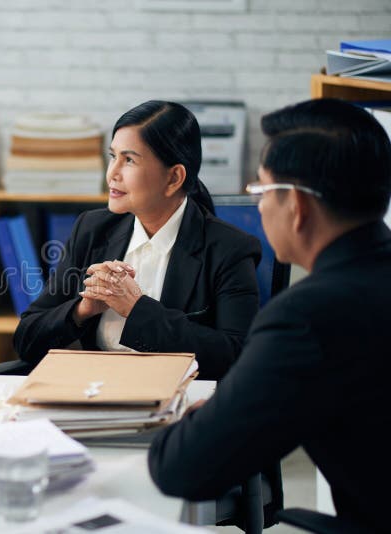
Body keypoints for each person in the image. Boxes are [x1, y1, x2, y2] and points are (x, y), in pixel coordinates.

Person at [148, 98, 391, 531]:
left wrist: (197, 415)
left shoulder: (307, 318)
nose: (258, 207)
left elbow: (184, 467)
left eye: (261, 191)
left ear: (296, 207)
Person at [13, 101, 261, 380]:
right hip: (94, 391)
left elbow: (236, 356)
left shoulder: (230, 249)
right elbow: (27, 338)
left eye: (129, 160)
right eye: (113, 156)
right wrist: (83, 310)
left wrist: (136, 309)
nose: (112, 173)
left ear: (174, 177)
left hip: (177, 398)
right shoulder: (91, 230)